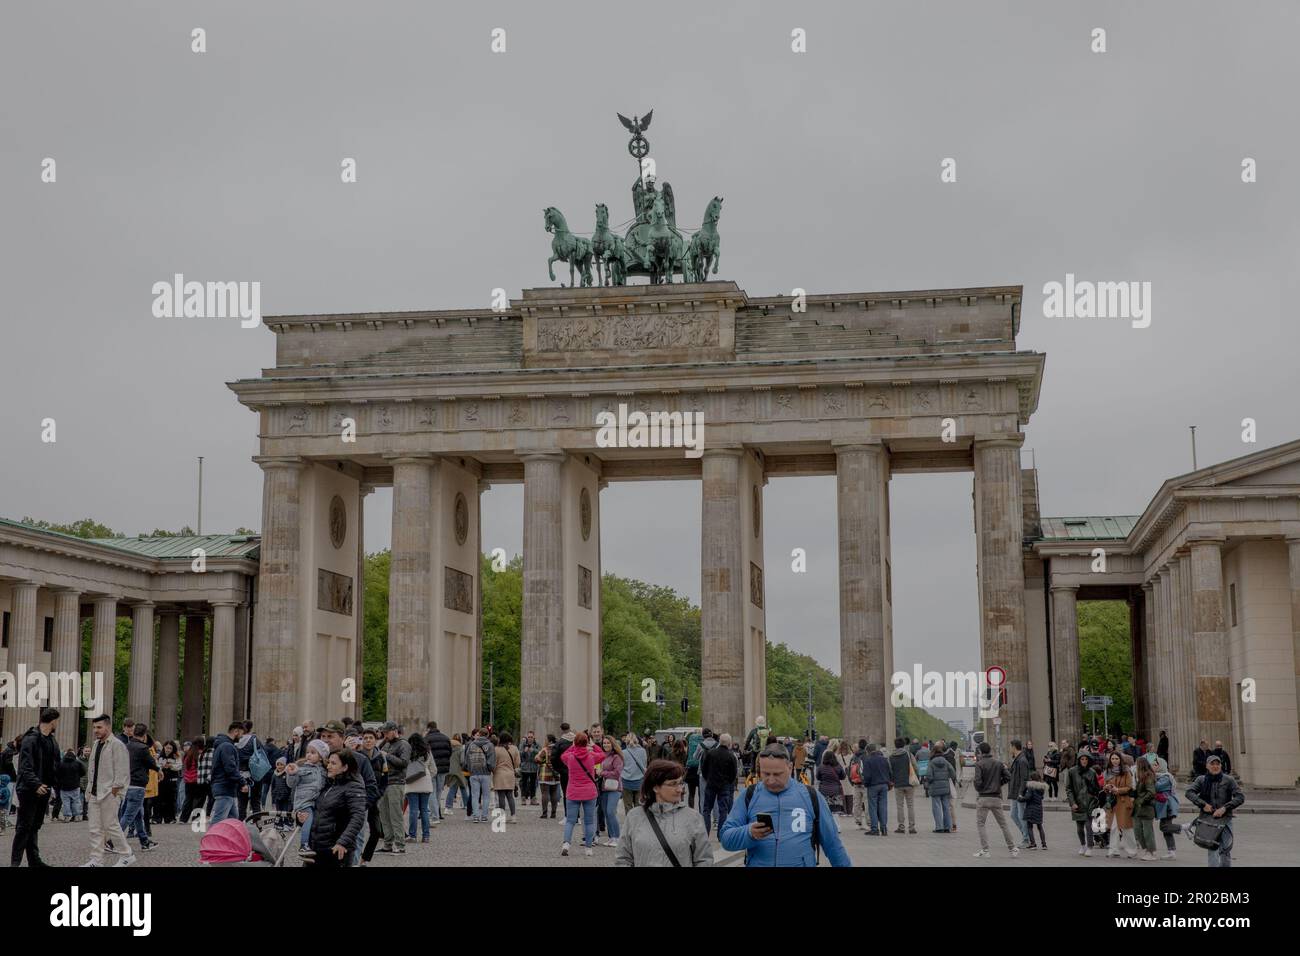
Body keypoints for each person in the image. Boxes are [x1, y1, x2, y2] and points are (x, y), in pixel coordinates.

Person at [719, 744, 852, 867]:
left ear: (790, 767)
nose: (770, 780)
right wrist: (748, 833)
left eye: (777, 774)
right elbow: (726, 838)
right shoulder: (749, 795)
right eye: (765, 774)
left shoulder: (811, 797)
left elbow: (833, 845)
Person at [615, 759, 714, 867]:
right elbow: (623, 859)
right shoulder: (634, 817)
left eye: (680, 783)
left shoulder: (693, 818)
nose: (679, 789)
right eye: (673, 784)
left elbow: (704, 860)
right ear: (655, 787)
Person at [79, 714, 134, 867]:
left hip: (109, 792)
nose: (96, 730)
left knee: (111, 825)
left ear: (108, 727)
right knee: (94, 828)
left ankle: (126, 854)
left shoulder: (117, 745)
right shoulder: (96, 744)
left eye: (99, 727)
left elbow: (122, 770)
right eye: (95, 727)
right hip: (95, 792)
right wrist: (89, 790)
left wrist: (115, 791)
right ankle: (97, 860)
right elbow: (92, 769)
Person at [10, 708, 59, 867]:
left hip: (44, 789)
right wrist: (36, 784)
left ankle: (34, 861)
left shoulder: (52, 740)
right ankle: (15, 863)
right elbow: (25, 767)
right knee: (23, 828)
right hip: (29, 789)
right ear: (52, 722)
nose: (56, 724)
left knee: (35, 827)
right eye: (56, 721)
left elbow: (55, 765)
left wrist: (53, 786)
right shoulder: (30, 739)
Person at [308, 749, 367, 868]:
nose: (328, 766)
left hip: (337, 850)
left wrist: (343, 842)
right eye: (328, 762)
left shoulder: (354, 787)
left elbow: (358, 817)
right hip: (317, 848)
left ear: (345, 767)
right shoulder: (329, 784)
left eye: (333, 763)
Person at [1185, 754, 1244, 867]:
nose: (1215, 766)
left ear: (1221, 766)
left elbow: (1240, 797)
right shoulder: (1201, 780)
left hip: (1225, 820)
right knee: (1212, 849)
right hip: (1208, 820)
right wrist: (1203, 804)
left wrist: (1225, 808)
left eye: (1218, 764)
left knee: (1225, 850)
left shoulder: (1229, 780)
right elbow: (1189, 792)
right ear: (1207, 766)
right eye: (1212, 764)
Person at [971, 741, 1018, 858]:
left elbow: (977, 781)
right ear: (990, 750)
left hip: (983, 797)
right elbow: (1008, 776)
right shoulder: (998, 763)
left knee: (981, 824)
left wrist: (980, 789)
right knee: (1003, 824)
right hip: (996, 797)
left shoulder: (979, 764)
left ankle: (985, 850)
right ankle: (1012, 848)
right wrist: (999, 784)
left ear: (980, 752)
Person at [119, 723, 160, 852]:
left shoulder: (127, 746)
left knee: (138, 815)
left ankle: (144, 841)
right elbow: (151, 763)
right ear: (144, 735)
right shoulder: (143, 748)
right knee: (128, 816)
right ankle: (110, 840)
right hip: (138, 786)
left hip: (127, 785)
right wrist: (159, 770)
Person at [560, 731, 602, 856]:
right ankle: (588, 848)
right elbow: (602, 754)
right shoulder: (592, 756)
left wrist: (573, 746)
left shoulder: (570, 757)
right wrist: (593, 745)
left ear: (575, 743)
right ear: (586, 743)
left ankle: (566, 844)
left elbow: (563, 755)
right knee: (589, 821)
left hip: (573, 791)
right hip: (589, 792)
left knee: (570, 821)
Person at [286, 739, 328, 854]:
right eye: (308, 752)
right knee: (308, 819)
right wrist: (291, 773)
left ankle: (311, 845)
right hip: (303, 802)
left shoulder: (323, 770)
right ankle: (304, 844)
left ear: (321, 757)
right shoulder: (302, 767)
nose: (309, 755)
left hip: (315, 802)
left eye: (313, 752)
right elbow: (291, 784)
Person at [376, 721, 410, 852]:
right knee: (384, 815)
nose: (385, 735)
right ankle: (387, 844)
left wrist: (387, 756)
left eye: (386, 732)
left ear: (394, 731)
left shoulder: (404, 744)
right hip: (384, 783)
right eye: (383, 732)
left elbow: (404, 763)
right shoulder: (386, 744)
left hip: (396, 782)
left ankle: (400, 844)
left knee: (396, 815)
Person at [699, 731, 737, 837]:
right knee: (723, 810)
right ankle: (720, 834)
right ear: (729, 743)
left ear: (719, 741)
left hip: (711, 783)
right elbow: (733, 773)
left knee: (706, 809)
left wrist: (708, 778)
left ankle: (706, 832)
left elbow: (704, 768)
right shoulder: (731, 756)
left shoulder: (711, 753)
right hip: (724, 785)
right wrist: (728, 782)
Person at [1065, 751, 1101, 856]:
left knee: (1088, 826)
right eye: (1082, 759)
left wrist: (1094, 797)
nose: (1084, 761)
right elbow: (1069, 789)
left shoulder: (1092, 772)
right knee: (1079, 828)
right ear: (1079, 760)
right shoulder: (1072, 772)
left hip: (1090, 803)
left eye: (1086, 759)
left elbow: (1096, 788)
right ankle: (1083, 845)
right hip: (1077, 803)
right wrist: (1072, 803)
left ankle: (1090, 846)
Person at [1103, 749, 1136, 858]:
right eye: (1112, 759)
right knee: (1113, 828)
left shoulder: (1126, 771)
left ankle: (1132, 851)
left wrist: (1118, 790)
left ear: (1120, 760)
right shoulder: (1107, 771)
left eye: (1116, 758)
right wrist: (1107, 788)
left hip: (1123, 802)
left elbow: (1129, 787)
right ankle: (1113, 850)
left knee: (1127, 827)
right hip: (1112, 803)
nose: (1114, 761)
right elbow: (1105, 786)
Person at [208, 722, 243, 825]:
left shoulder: (223, 745)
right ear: (236, 731)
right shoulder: (227, 746)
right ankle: (211, 841)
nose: (241, 737)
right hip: (224, 787)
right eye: (241, 733)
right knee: (219, 819)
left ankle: (228, 840)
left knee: (233, 819)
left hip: (225, 787)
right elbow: (230, 768)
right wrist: (242, 782)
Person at [405, 732, 434, 842]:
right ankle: (426, 836)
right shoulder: (427, 751)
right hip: (425, 778)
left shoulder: (408, 751)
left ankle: (413, 835)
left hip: (412, 779)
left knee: (413, 810)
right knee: (424, 810)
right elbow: (432, 767)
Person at [595, 735, 623, 847]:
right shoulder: (603, 756)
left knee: (611, 812)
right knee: (606, 813)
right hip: (604, 787)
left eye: (608, 743)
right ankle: (612, 838)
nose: (606, 745)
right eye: (604, 743)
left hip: (615, 788)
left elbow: (617, 773)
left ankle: (617, 837)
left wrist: (602, 773)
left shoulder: (617, 757)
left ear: (613, 744)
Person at [464, 728, 496, 824]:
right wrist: (490, 769)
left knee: (474, 795)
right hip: (485, 773)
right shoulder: (490, 745)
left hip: (473, 773)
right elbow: (491, 760)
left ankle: (476, 816)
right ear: (487, 735)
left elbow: (466, 760)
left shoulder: (471, 745)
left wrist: (470, 769)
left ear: (479, 734)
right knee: (486, 796)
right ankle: (484, 816)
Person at [888, 737, 918, 834]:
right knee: (910, 805)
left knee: (899, 806)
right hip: (909, 783)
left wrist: (892, 780)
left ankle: (901, 826)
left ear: (895, 745)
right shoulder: (908, 754)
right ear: (904, 745)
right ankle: (912, 827)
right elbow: (915, 767)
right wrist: (916, 776)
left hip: (898, 784)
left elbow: (890, 771)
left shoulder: (891, 756)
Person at [423, 722, 452, 821]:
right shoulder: (446, 738)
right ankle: (437, 813)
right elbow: (450, 752)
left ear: (429, 728)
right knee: (439, 792)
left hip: (431, 769)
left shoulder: (427, 739)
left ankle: (434, 815)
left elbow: (424, 754)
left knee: (431, 792)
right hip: (443, 769)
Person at [927, 742, 958, 832]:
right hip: (945, 787)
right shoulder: (946, 761)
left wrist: (931, 781)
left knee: (936, 807)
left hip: (935, 788)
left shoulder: (931, 762)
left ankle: (939, 827)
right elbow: (953, 772)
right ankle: (947, 827)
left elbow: (929, 775)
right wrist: (947, 778)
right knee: (946, 807)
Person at [861, 742, 891, 835]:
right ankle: (884, 828)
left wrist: (865, 784)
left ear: (868, 751)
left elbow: (867, 775)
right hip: (884, 785)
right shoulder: (884, 759)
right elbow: (889, 772)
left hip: (873, 785)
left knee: (873, 807)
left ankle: (874, 829)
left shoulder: (868, 761)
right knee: (883, 806)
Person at [1132, 758, 1159, 861]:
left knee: (1148, 831)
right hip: (1138, 807)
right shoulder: (1139, 776)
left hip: (1146, 807)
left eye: (1137, 764)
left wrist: (1141, 801)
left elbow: (1151, 792)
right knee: (1137, 830)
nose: (1135, 766)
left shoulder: (1148, 776)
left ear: (1140, 765)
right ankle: (1147, 850)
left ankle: (1151, 852)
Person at [1007, 739, 1032, 847]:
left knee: (1021, 815)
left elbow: (1024, 778)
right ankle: (1025, 834)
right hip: (1014, 791)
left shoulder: (1022, 760)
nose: (1009, 749)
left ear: (1014, 747)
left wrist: (1021, 793)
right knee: (1013, 815)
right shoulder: (1017, 759)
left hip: (1019, 792)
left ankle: (1026, 839)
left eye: (1010, 747)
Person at [493, 732, 522, 825]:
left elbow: (494, 763)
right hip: (510, 774)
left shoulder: (496, 749)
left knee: (501, 796)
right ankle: (513, 816)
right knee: (510, 796)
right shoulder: (514, 748)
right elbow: (518, 763)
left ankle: (502, 817)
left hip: (499, 774)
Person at [179, 737, 207, 824]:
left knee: (188, 799)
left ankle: (183, 818)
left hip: (188, 780)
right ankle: (195, 818)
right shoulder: (200, 754)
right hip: (197, 780)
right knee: (199, 800)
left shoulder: (188, 755)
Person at [1018, 771, 1048, 849]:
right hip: (1039, 808)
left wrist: (1020, 798)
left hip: (1031, 808)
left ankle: (1033, 844)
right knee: (1040, 826)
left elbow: (1028, 797)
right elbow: (1041, 797)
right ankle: (1044, 844)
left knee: (1029, 826)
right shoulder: (1042, 787)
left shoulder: (1031, 787)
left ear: (1032, 779)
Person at [444, 734, 471, 816]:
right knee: (457, 788)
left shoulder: (448, 747)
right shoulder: (460, 748)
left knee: (460, 787)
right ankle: (448, 807)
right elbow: (462, 760)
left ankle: (466, 805)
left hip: (450, 769)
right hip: (458, 771)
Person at [55, 748, 85, 823]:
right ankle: (77, 816)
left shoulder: (61, 763)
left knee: (65, 802)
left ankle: (67, 816)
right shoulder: (77, 763)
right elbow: (83, 772)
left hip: (64, 786)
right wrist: (78, 776)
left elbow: (57, 774)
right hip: (75, 785)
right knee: (76, 801)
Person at [155, 742, 181, 824]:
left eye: (170, 748)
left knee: (171, 799)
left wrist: (171, 766)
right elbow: (156, 765)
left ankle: (170, 818)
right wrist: (161, 766)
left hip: (172, 780)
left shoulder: (176, 756)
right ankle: (157, 818)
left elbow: (179, 766)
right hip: (161, 780)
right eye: (167, 747)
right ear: (164, 747)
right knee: (159, 799)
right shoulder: (159, 756)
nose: (168, 750)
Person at [620, 733, 647, 812]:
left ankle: (630, 823)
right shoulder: (643, 751)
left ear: (626, 741)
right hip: (639, 781)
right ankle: (637, 823)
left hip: (626, 781)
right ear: (637, 740)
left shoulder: (623, 752)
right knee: (639, 807)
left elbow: (622, 766)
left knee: (628, 806)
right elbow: (645, 764)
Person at [537, 733, 560, 819]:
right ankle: (553, 813)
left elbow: (537, 758)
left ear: (549, 741)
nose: (545, 741)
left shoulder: (545, 750)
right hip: (555, 773)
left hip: (545, 773)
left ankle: (544, 813)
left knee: (545, 793)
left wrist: (540, 759)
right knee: (554, 793)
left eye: (546, 740)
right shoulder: (557, 749)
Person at [816, 749, 846, 815]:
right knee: (836, 812)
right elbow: (843, 777)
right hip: (836, 792)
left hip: (824, 792)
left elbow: (818, 777)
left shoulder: (821, 767)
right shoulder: (838, 766)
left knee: (825, 811)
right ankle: (835, 824)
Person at [519, 731, 541, 807]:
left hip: (533, 767)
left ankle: (533, 799)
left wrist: (534, 750)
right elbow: (519, 754)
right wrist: (523, 752)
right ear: (527, 737)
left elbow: (540, 753)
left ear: (534, 737)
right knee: (524, 784)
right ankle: (523, 798)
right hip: (524, 767)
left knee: (533, 784)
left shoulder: (537, 745)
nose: (530, 738)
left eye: (531, 737)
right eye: (529, 737)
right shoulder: (523, 744)